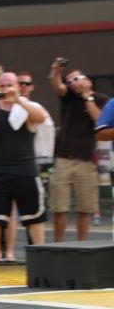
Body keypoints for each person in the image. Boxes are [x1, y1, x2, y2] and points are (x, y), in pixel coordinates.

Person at [0, 72, 47, 266]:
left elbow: (40, 118)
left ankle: (42, 256)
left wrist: (18, 100)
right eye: (2, 86)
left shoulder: (26, 107)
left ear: (17, 86)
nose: (6, 89)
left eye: (10, 85)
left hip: (26, 171)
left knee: (34, 217)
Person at [49, 60, 108, 241]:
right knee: (60, 207)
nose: (72, 83)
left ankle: (82, 246)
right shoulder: (68, 96)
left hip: (86, 160)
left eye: (76, 79)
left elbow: (99, 121)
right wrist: (56, 71)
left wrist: (86, 96)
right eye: (69, 81)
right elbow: (58, 87)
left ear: (87, 80)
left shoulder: (101, 99)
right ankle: (58, 245)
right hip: (63, 158)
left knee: (85, 207)